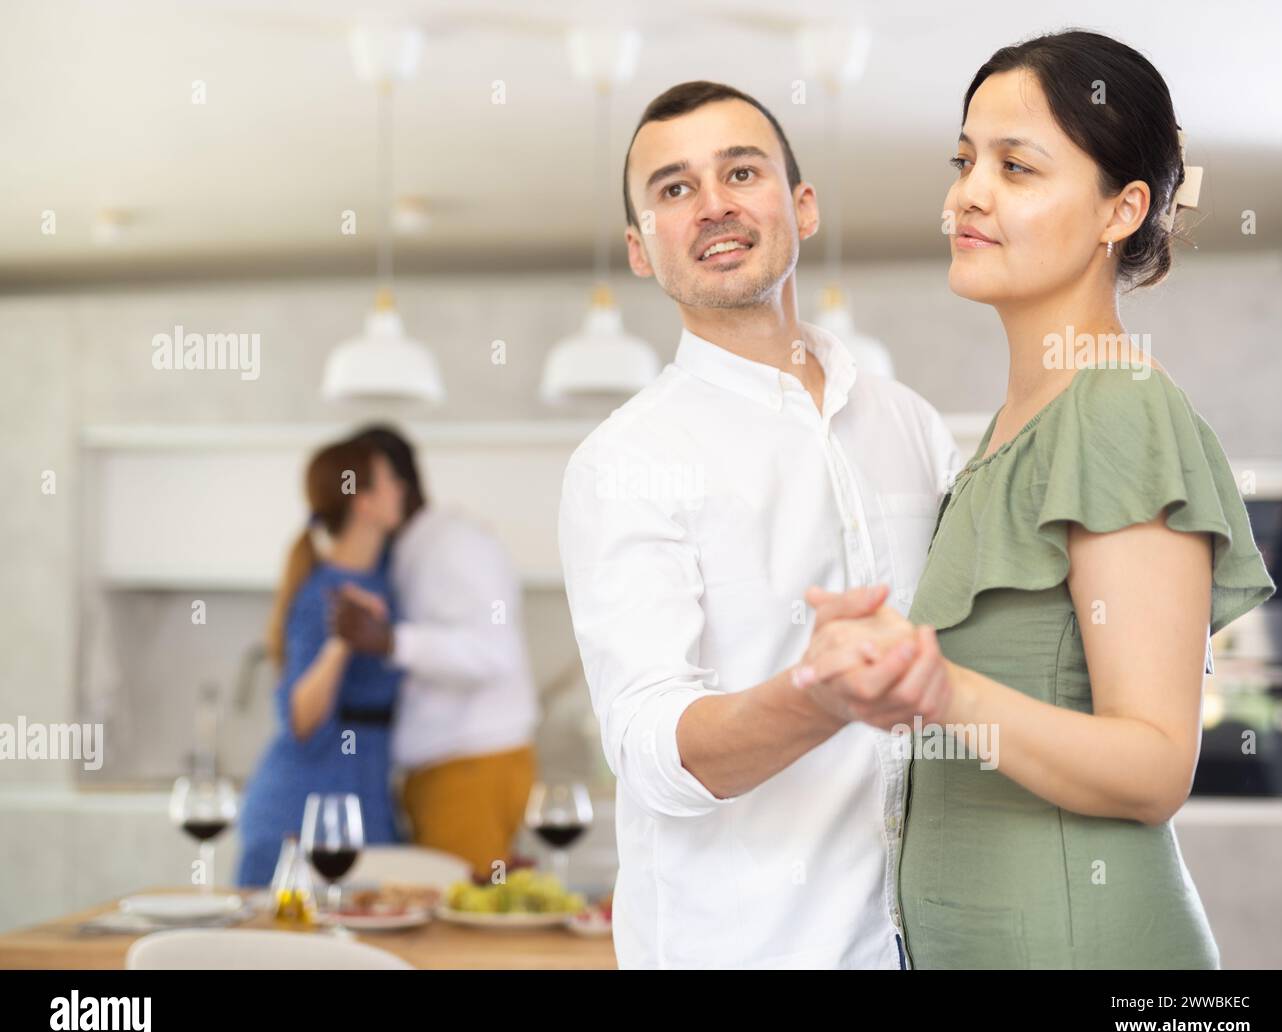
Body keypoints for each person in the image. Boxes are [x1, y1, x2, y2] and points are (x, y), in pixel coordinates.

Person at [794, 30, 1276, 968]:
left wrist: (942, 688)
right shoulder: (1015, 426)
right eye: (966, 160)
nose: (968, 192)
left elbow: (1154, 766)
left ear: (1120, 210)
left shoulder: (1117, 410)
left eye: (1017, 167)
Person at [557, 81, 964, 969]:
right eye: (674, 189)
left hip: (925, 946)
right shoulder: (623, 462)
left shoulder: (911, 426)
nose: (713, 206)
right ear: (639, 248)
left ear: (802, 206)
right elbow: (651, 750)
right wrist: (815, 699)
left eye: (741, 171)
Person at [333, 426, 540, 878]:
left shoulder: (454, 544)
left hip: (469, 767)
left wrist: (391, 641)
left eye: (359, 485)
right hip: (456, 768)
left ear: (397, 483)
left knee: (461, 935)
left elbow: (492, 652)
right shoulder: (416, 548)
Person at [236, 437, 407, 887]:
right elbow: (300, 720)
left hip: (361, 808)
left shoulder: (382, 577)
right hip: (299, 816)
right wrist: (342, 641)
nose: (401, 489)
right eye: (390, 480)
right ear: (364, 501)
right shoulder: (323, 594)